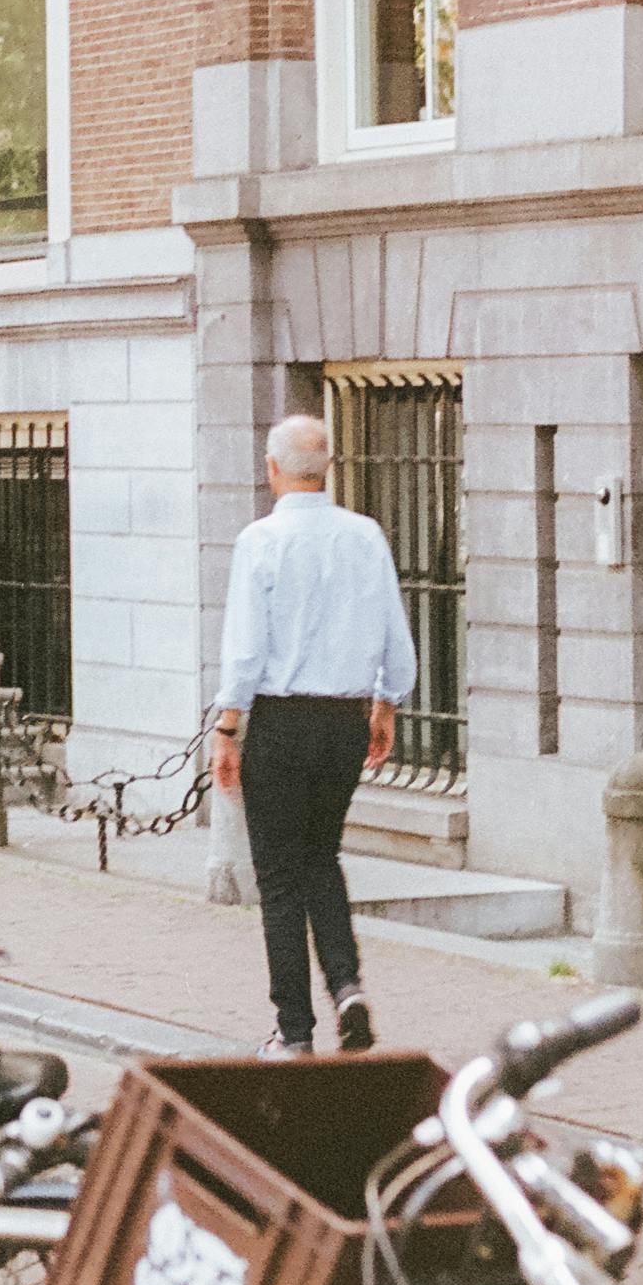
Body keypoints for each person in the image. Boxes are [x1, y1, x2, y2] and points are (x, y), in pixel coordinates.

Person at [212, 413, 417, 1057]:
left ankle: (294, 1031)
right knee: (322, 856)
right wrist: (385, 705)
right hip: (344, 722)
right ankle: (348, 987)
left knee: (277, 877)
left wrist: (227, 724)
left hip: (280, 719)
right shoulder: (366, 536)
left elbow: (245, 648)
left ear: (273, 469)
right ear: (326, 468)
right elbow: (396, 636)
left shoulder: (261, 541)